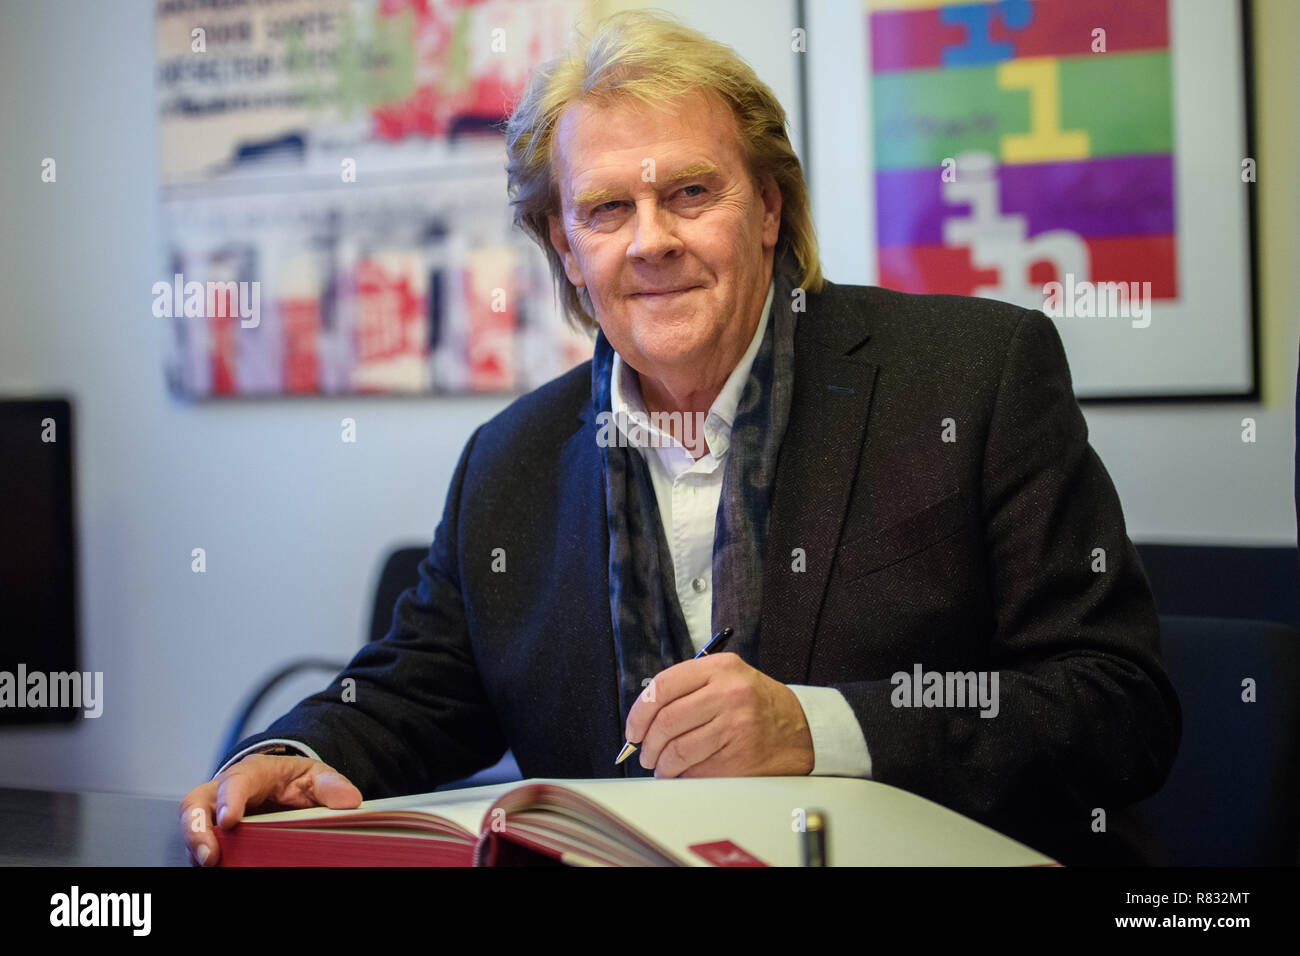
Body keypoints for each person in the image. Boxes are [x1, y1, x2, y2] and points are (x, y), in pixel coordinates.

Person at [180, 10, 1180, 867]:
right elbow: (408, 693)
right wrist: (286, 752)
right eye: (608, 208)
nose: (650, 238)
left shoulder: (974, 374)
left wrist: (814, 727)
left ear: (767, 207)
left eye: (689, 193)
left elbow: (1116, 705)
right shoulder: (510, 462)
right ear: (566, 249)